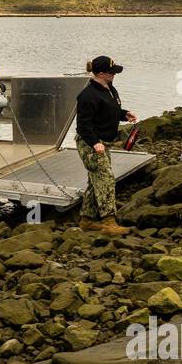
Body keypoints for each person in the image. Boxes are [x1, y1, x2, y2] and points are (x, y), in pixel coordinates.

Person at [75, 56, 136, 236]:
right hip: (89, 143)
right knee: (106, 178)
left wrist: (125, 115)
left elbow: (110, 111)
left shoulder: (109, 88)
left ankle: (86, 220)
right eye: (112, 72)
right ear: (101, 74)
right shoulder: (87, 96)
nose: (115, 74)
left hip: (103, 143)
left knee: (95, 181)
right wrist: (95, 143)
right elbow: (83, 126)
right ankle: (109, 222)